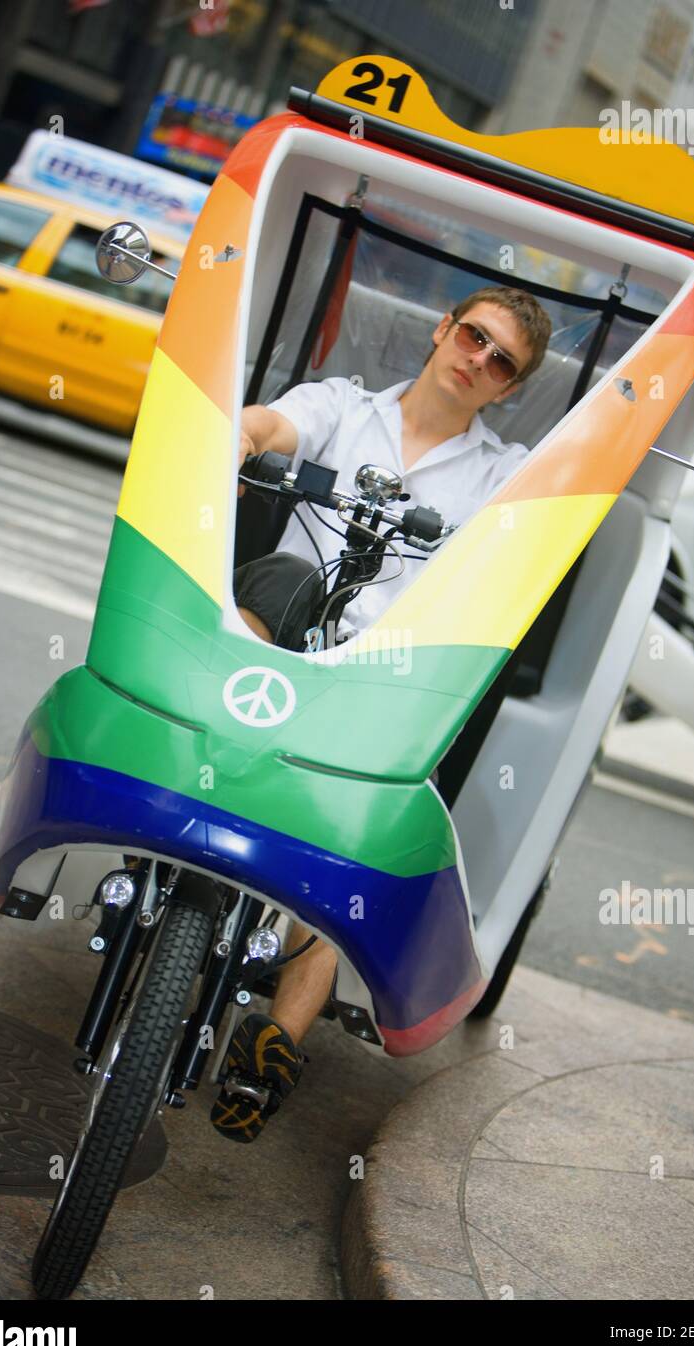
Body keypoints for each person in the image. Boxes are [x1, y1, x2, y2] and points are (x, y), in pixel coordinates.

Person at [210, 285, 552, 1142]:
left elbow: (532, 538)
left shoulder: (501, 474)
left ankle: (271, 1053)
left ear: (509, 388)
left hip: (388, 683)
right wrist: (238, 441)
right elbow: (264, 427)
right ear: (442, 328)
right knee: (279, 582)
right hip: (280, 644)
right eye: (472, 335)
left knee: (340, 865)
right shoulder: (343, 406)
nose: (478, 358)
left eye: (501, 359)